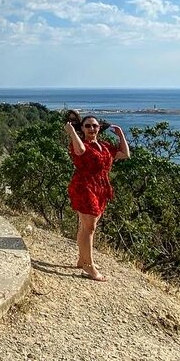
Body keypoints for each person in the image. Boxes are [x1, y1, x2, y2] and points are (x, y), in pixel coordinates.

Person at [64, 115, 131, 281]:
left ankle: (82, 259)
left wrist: (121, 134)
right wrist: (72, 133)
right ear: (82, 129)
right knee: (90, 228)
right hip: (84, 187)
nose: (91, 129)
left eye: (94, 126)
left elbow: (125, 154)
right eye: (87, 126)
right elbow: (80, 151)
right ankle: (89, 265)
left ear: (99, 128)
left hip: (100, 188)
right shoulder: (79, 144)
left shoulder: (104, 146)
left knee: (86, 227)